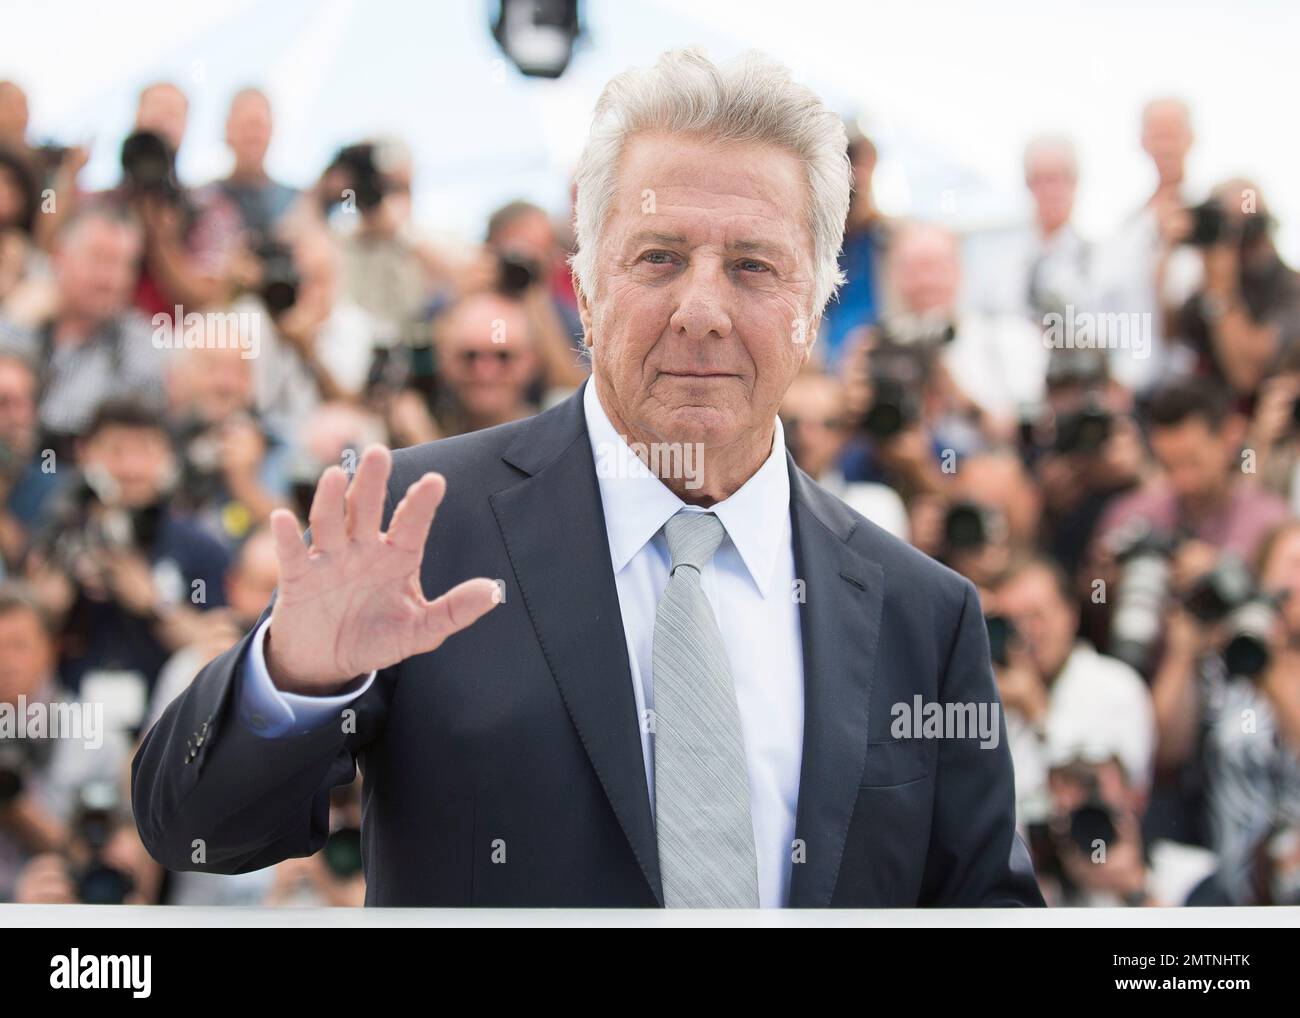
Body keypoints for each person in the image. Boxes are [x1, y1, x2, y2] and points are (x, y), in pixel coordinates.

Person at [133, 47, 1042, 909]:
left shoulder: (921, 617)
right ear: (585, 283)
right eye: (659, 257)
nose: (701, 311)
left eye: (754, 266)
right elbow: (195, 830)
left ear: (816, 306)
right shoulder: (421, 531)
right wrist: (296, 675)